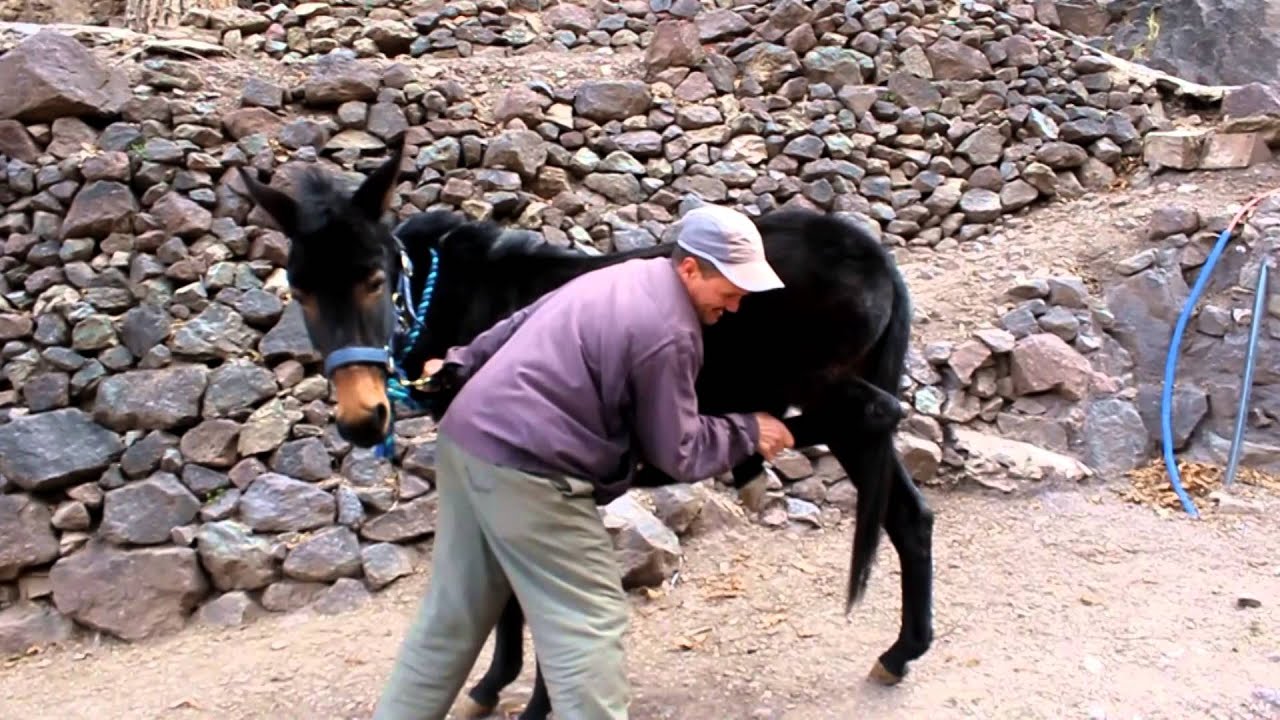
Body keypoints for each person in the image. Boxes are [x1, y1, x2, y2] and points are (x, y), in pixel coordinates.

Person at [373, 204, 795, 720]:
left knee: (451, 616)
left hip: (467, 439)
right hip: (530, 469)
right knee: (589, 620)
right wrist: (749, 431)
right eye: (730, 291)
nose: (735, 305)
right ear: (690, 268)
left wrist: (463, 361)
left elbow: (524, 319)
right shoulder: (671, 332)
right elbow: (678, 449)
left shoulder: (626, 276)